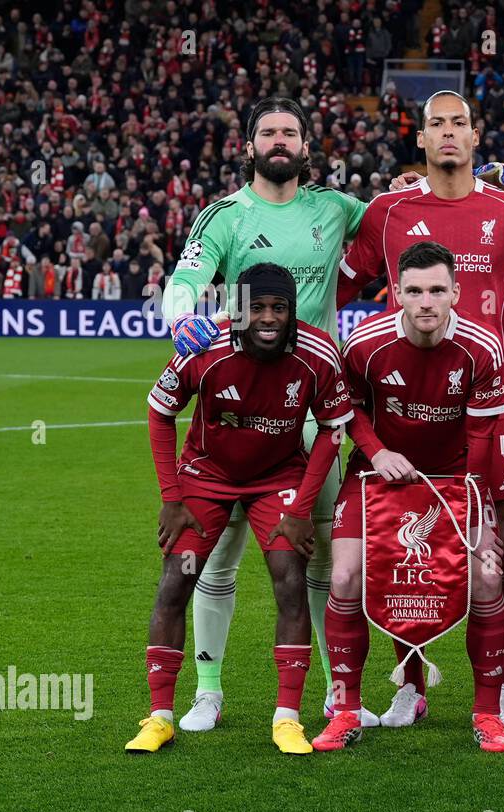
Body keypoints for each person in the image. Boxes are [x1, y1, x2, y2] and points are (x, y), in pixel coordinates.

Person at [335, 90, 504, 729]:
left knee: (494, 552)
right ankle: (410, 682)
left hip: (485, 413)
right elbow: (342, 281)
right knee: (401, 555)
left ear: (475, 134)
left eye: (459, 123)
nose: (449, 134)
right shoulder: (388, 210)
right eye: (437, 124)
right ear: (423, 139)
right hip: (401, 410)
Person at [162, 97, 373, 733]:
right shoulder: (225, 215)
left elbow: (400, 222)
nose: (278, 141)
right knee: (214, 558)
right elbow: (184, 278)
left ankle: (338, 691)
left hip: (317, 403)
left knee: (319, 554)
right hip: (243, 409)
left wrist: (471, 180)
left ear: (306, 146)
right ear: (249, 145)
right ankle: (208, 690)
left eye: (290, 132)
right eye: (267, 132)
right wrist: (181, 320)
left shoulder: (336, 209)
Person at [127, 263, 354, 755]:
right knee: (176, 579)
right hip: (207, 478)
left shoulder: (318, 353)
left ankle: (288, 717)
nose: (267, 318)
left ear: (293, 312)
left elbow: (333, 429)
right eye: (256, 307)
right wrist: (171, 497)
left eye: (279, 308)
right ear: (237, 310)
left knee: (290, 578)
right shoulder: (204, 348)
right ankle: (160, 715)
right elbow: (159, 411)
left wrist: (301, 507)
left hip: (279, 480)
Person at [313, 241, 504, 751]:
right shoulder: (365, 343)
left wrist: (477, 509)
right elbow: (346, 408)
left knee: (487, 578)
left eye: (438, 290)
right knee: (345, 575)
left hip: (454, 481)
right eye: (416, 291)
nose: (427, 301)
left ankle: (487, 712)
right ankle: (347, 708)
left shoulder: (481, 347)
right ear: (397, 293)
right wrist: (377, 452)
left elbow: (484, 439)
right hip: (374, 477)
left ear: (456, 293)